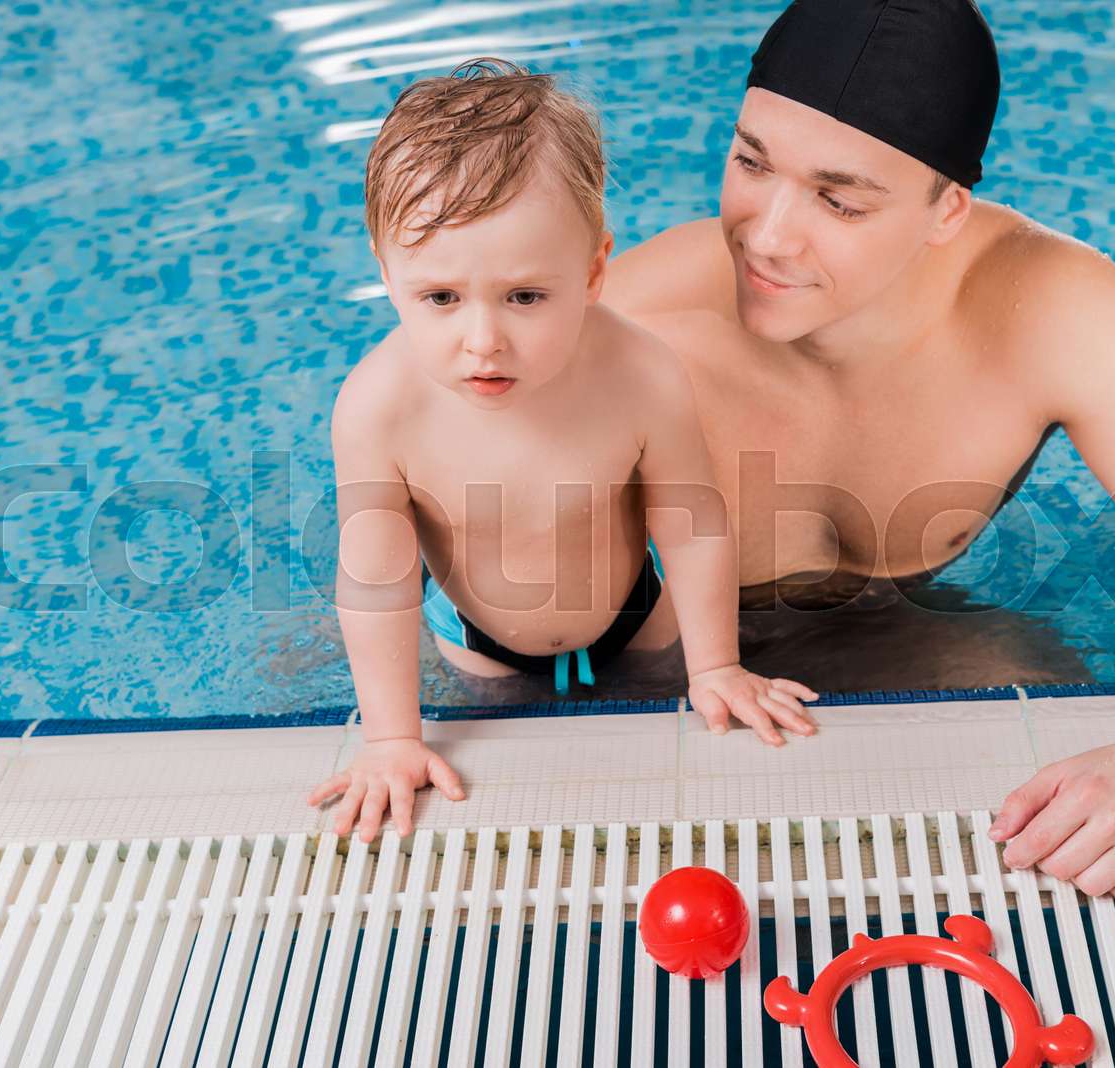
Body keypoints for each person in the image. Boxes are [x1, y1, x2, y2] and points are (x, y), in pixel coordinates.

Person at [603, 0, 1115, 905]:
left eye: (839, 201)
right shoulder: (634, 325)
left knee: (1036, 698)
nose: (766, 235)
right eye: (750, 163)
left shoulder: (1049, 310)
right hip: (663, 658)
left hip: (910, 632)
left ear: (946, 211)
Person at [311, 60, 818, 843]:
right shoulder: (379, 408)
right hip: (481, 646)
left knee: (674, 790)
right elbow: (376, 579)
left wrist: (715, 665)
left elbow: (691, 524)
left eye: (525, 297)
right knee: (504, 817)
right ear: (387, 274)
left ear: (591, 272)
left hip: (638, 624)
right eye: (440, 298)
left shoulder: (640, 373)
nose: (484, 341)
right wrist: (391, 739)